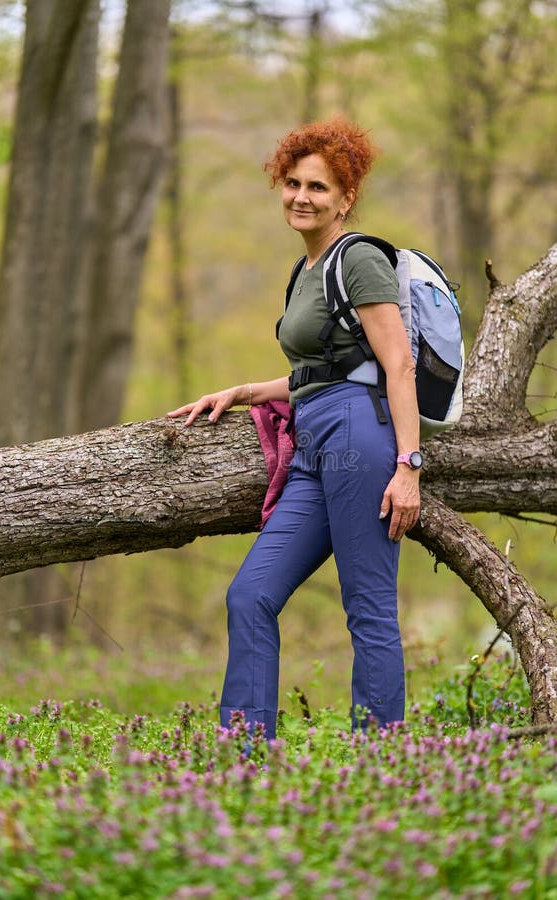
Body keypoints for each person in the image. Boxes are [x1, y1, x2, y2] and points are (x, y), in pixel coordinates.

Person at [168, 118, 420, 738]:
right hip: (315, 439)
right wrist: (243, 391)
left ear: (346, 198)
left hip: (360, 436)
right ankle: (248, 753)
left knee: (367, 609)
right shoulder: (306, 270)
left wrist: (408, 467)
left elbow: (397, 363)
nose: (301, 196)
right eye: (292, 183)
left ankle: (382, 764)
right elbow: (321, 370)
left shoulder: (358, 259)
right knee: (250, 595)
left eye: (318, 187)